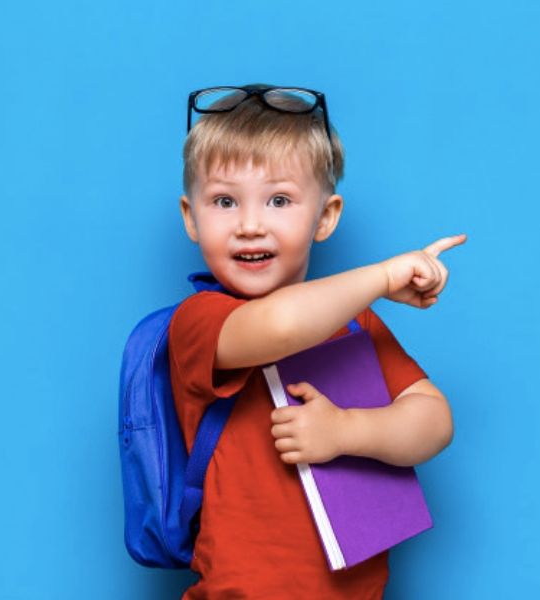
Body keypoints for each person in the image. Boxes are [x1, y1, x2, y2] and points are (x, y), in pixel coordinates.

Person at [169, 84, 467, 599]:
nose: (249, 225)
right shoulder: (200, 322)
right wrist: (383, 275)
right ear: (191, 217)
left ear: (325, 217)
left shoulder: (354, 323)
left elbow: (435, 422)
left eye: (279, 199)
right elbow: (280, 327)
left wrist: (348, 431)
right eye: (223, 201)